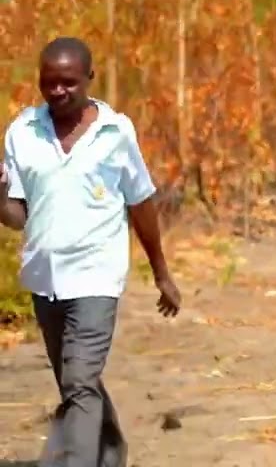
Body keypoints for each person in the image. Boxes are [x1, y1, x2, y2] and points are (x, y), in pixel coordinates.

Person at [0, 36, 181, 467]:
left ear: (89, 79)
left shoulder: (115, 132)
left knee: (79, 378)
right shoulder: (23, 132)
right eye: (49, 82)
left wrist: (161, 272)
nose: (58, 91)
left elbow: (141, 202)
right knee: (75, 379)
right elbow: (17, 216)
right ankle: (110, 451)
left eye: (68, 82)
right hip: (45, 277)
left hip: (97, 274)